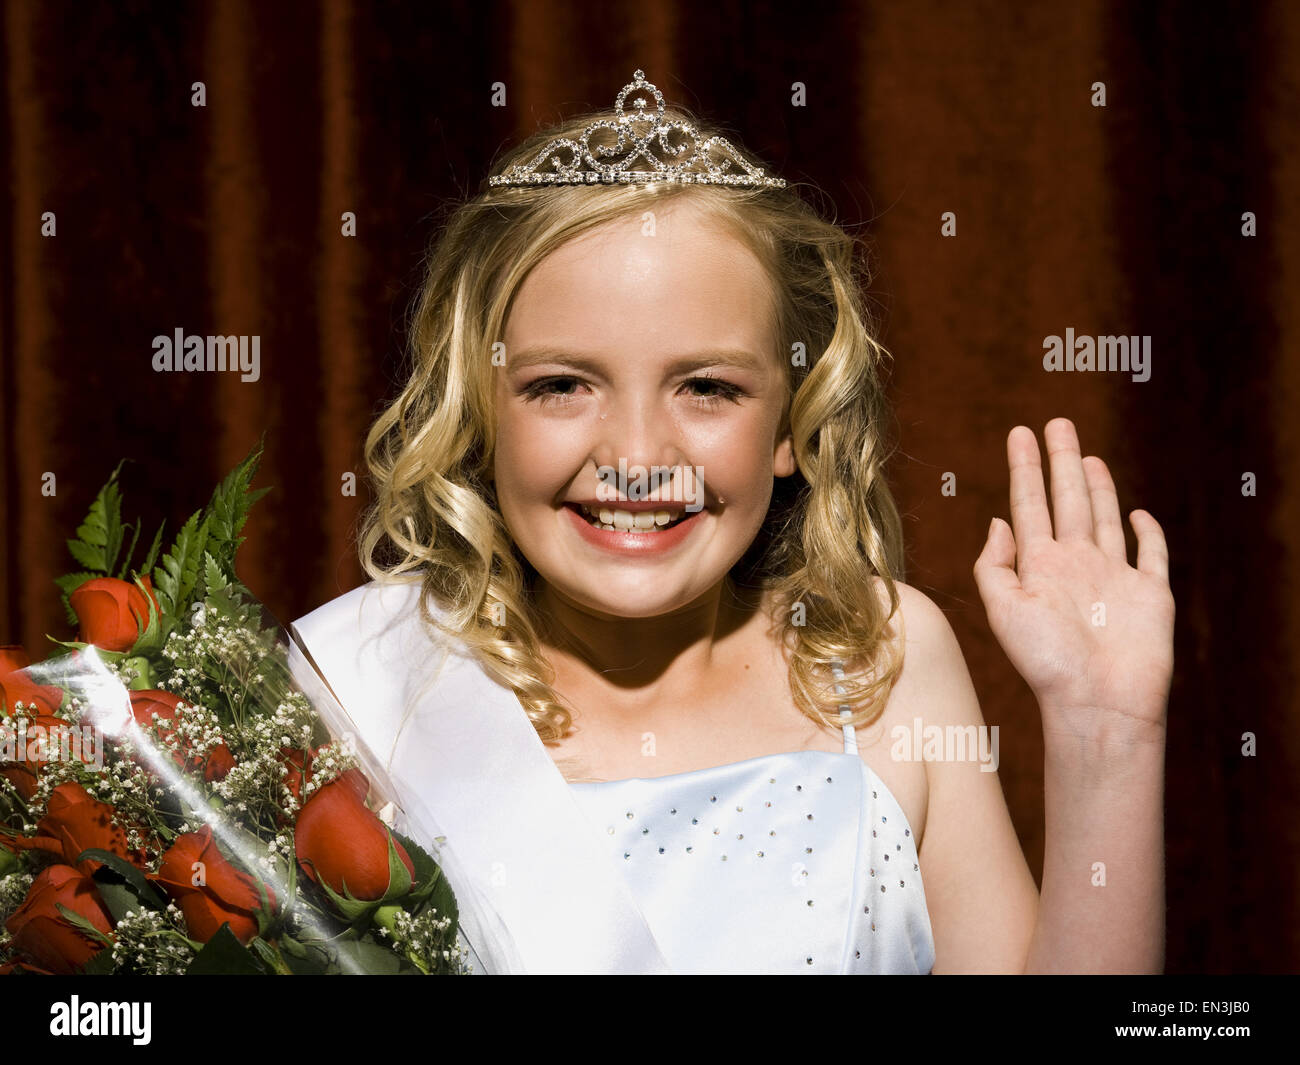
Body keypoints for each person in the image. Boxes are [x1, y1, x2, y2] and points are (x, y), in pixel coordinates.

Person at [289, 70, 1174, 975]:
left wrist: (1106, 731)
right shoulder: (364, 693)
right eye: (561, 385)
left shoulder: (884, 661)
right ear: (480, 412)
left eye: (707, 387)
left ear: (792, 423)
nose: (637, 457)